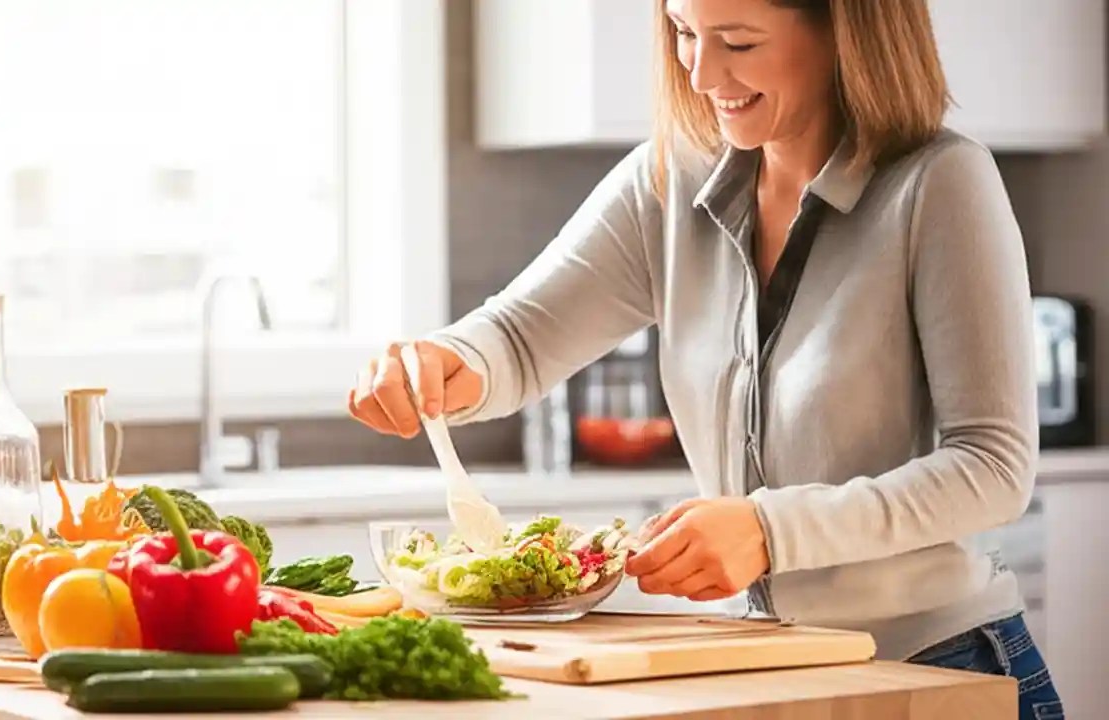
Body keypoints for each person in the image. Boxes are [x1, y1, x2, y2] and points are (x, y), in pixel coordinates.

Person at [347, 0, 1062, 716]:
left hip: (940, 667)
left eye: (739, 43)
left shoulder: (939, 183)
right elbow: (520, 338)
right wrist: (448, 361)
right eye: (684, 33)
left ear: (844, 31)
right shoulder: (669, 180)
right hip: (778, 667)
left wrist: (768, 529)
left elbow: (992, 466)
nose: (699, 71)